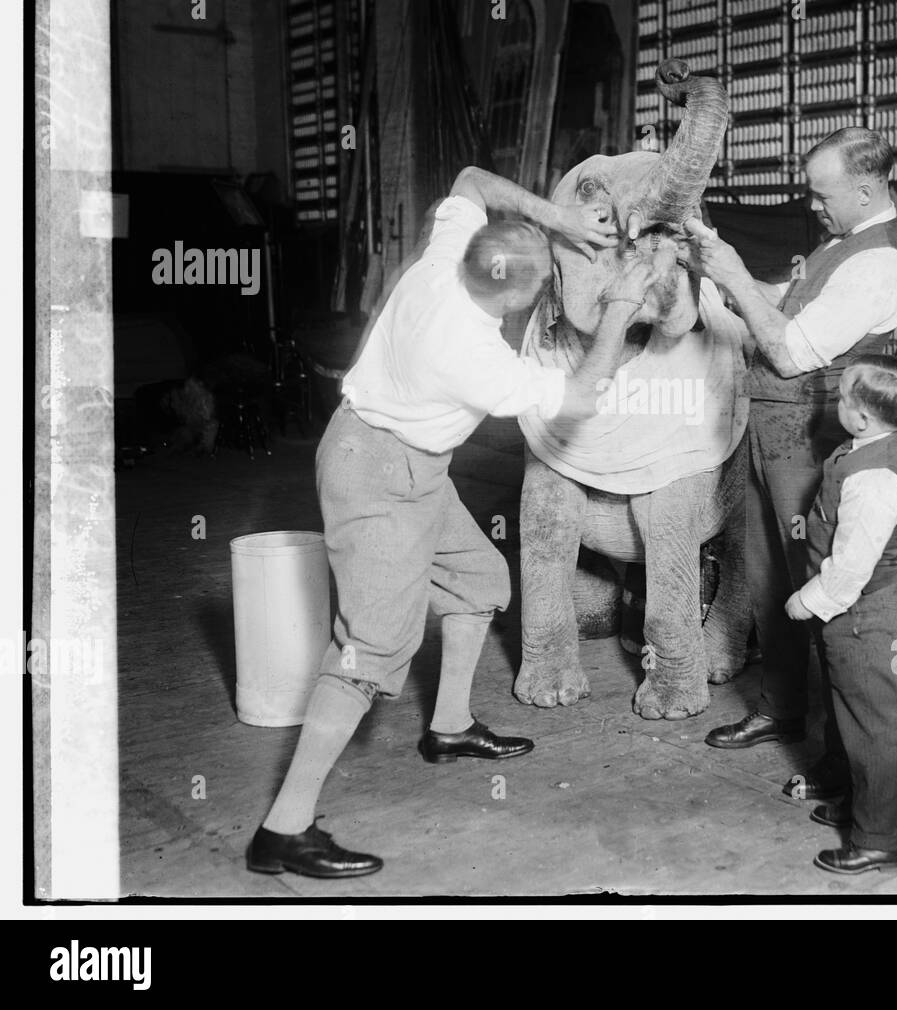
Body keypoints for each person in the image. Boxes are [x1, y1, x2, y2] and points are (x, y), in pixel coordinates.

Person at [246, 166, 652, 879]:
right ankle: (283, 829)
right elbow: (584, 393)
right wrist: (621, 307)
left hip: (404, 459)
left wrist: (557, 222)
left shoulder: (443, 262)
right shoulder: (475, 358)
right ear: (522, 296)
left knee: (478, 580)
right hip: (378, 473)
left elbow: (469, 179)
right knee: (370, 650)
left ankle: (450, 727)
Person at [684, 127, 897, 803]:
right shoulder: (840, 245)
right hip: (767, 429)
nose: (812, 204)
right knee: (764, 577)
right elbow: (780, 305)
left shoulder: (880, 263)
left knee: (818, 593)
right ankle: (780, 708)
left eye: (822, 193)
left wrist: (729, 275)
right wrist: (712, 263)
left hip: (812, 439)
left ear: (866, 189)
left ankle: (833, 756)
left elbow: (788, 352)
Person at [785, 356, 897, 873]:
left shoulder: (873, 482)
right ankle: (856, 802)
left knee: (875, 731)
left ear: (863, 417)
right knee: (852, 714)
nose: (834, 400)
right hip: (875, 608)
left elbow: (848, 571)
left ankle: (878, 840)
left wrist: (806, 601)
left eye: (842, 395)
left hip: (872, 614)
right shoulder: (886, 443)